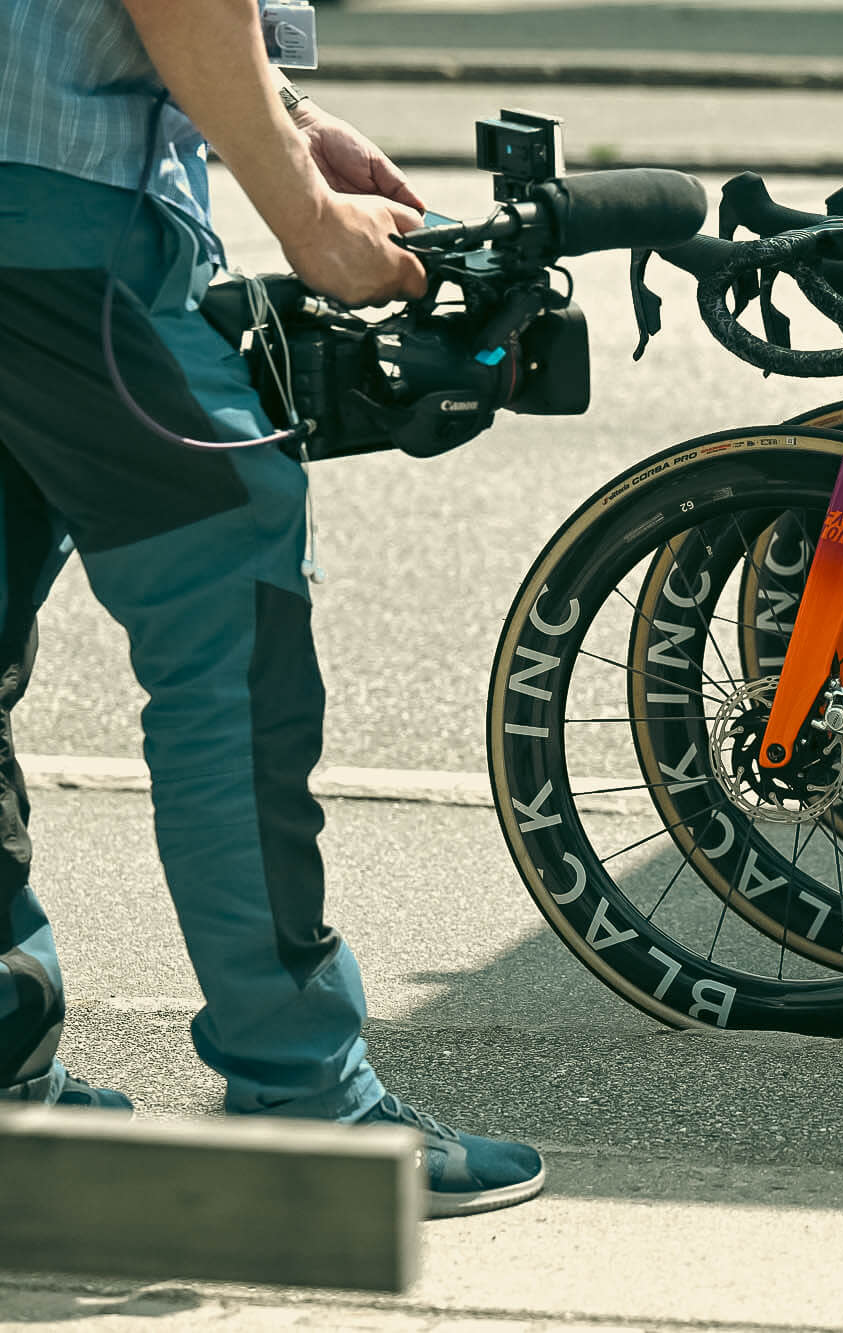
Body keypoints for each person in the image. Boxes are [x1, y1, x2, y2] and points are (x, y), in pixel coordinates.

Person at [0, 0, 546, 1218]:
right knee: (228, 645)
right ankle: (309, 1108)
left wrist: (289, 117)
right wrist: (303, 215)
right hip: (62, 225)